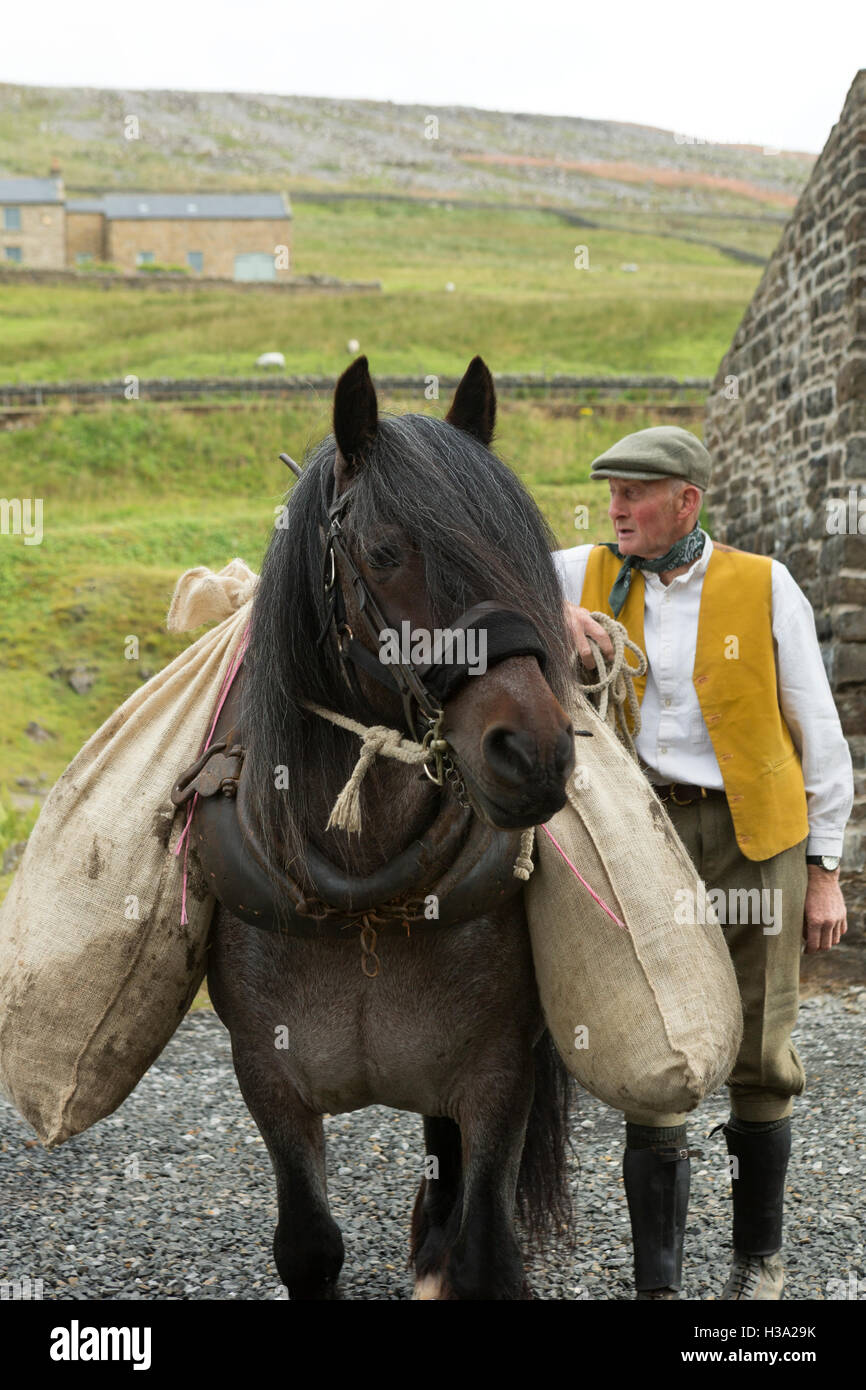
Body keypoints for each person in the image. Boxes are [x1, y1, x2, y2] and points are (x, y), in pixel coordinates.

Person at [552, 425, 853, 1301]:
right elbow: (488, 564)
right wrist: (550, 607)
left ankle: (758, 1263)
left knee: (762, 1045)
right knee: (654, 1041)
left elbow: (820, 734)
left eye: (634, 493)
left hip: (757, 836)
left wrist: (826, 868)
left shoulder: (766, 586)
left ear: (687, 500)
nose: (615, 509)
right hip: (643, 839)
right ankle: (659, 1289)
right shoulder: (581, 570)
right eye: (610, 492)